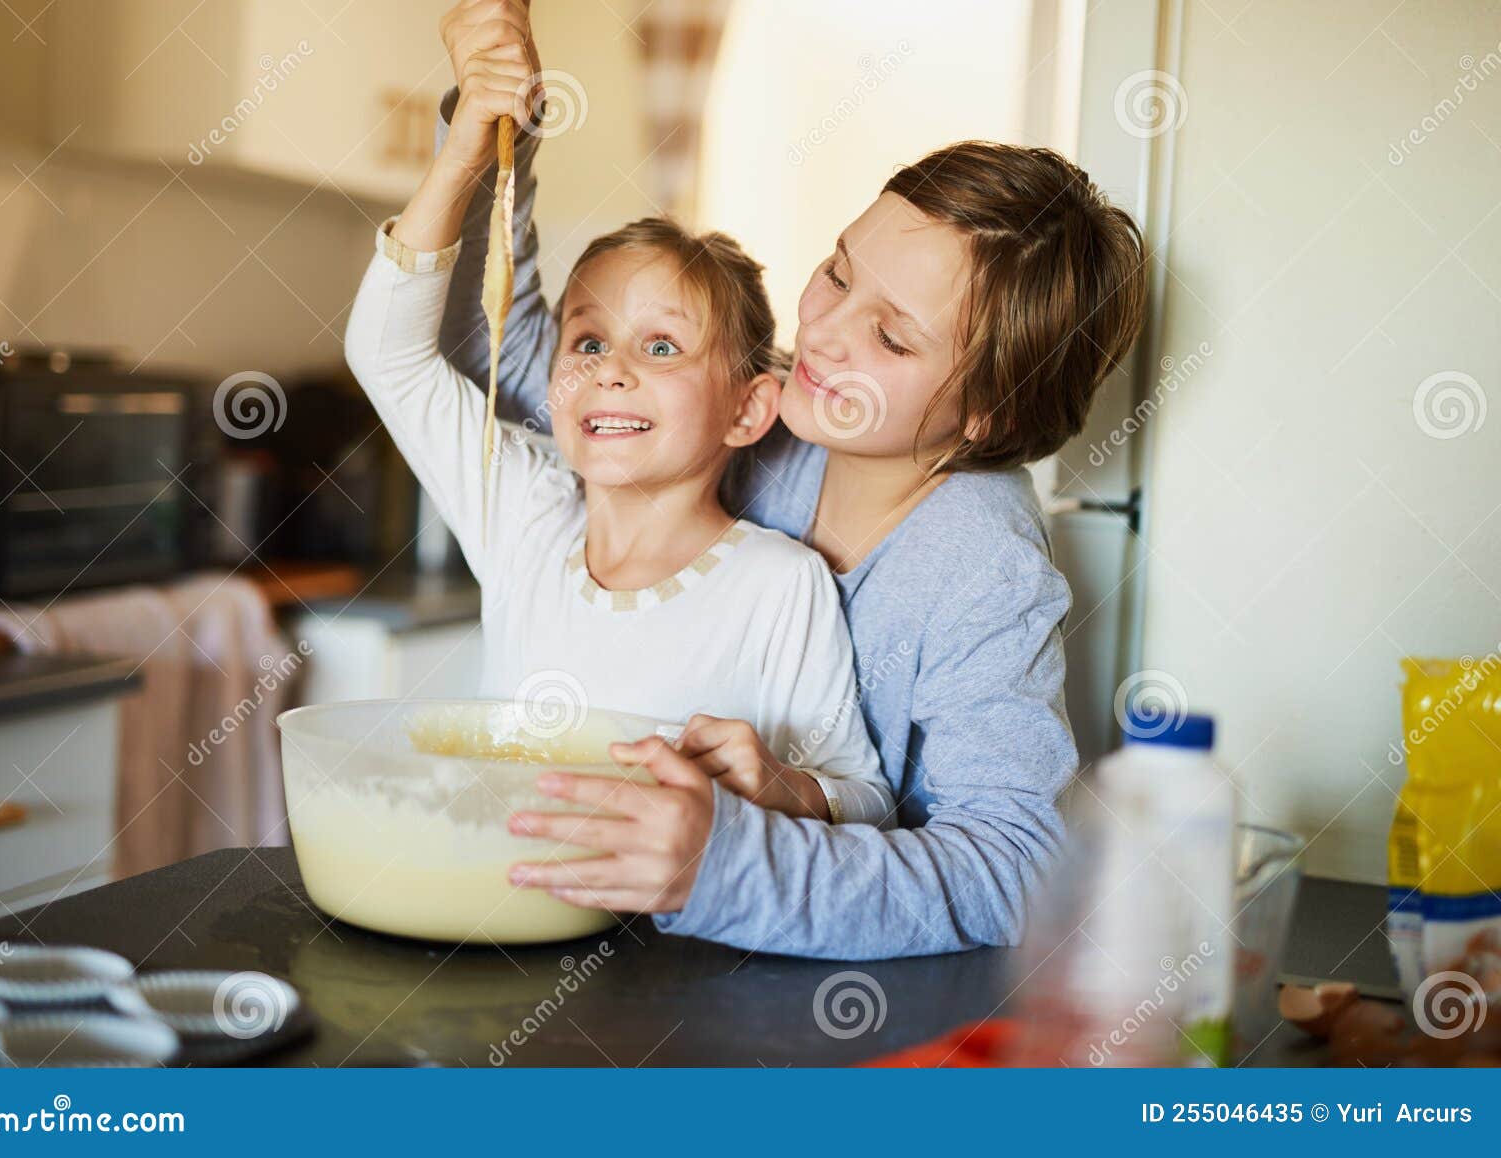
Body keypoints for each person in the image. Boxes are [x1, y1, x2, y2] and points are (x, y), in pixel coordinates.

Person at [437, 1, 1149, 959]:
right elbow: (506, 358)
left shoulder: (982, 569)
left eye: (891, 336)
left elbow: (1013, 870)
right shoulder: (769, 410)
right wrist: (493, 127)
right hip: (609, 938)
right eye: (837, 272)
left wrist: (731, 861)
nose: (822, 332)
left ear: (990, 416)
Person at [343, 52, 896, 839]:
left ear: (748, 409)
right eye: (589, 341)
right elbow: (386, 354)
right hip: (511, 906)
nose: (612, 372)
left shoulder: (779, 587)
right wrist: (466, 144)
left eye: (662, 347)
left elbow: (868, 796)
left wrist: (784, 787)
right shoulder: (524, 517)